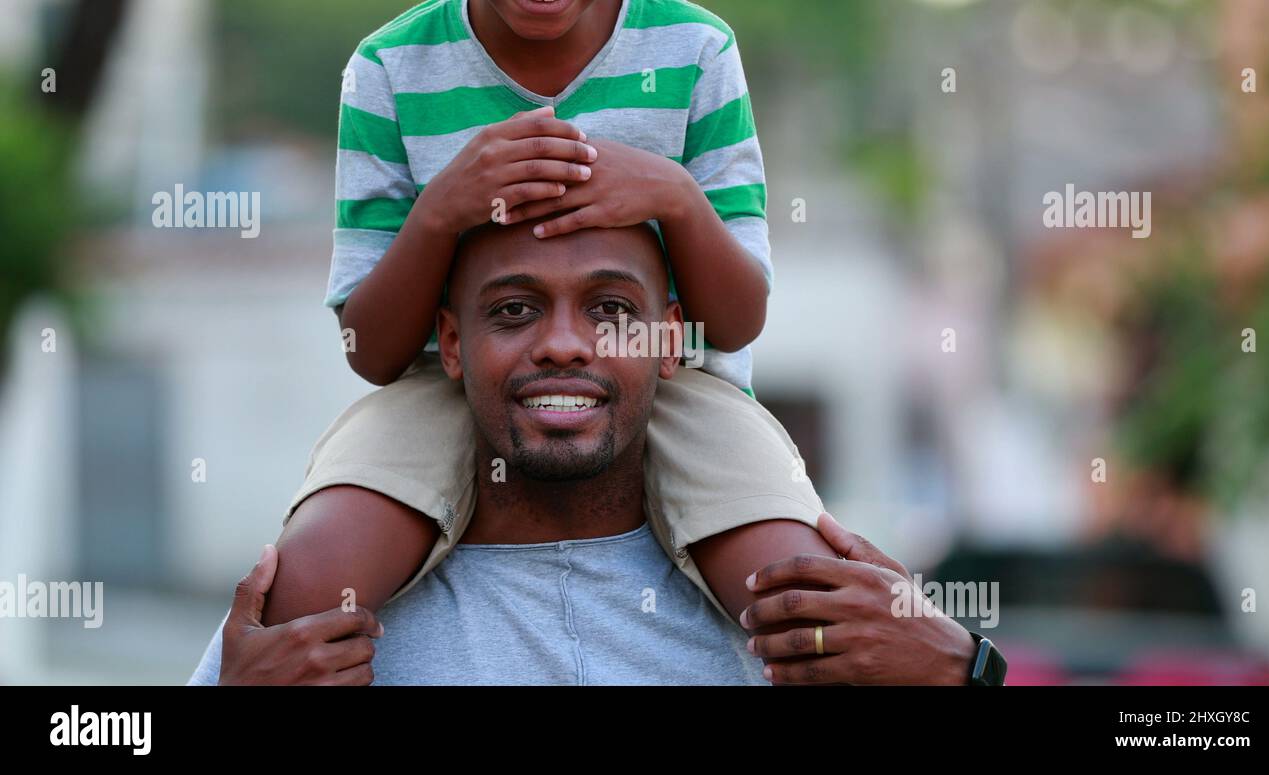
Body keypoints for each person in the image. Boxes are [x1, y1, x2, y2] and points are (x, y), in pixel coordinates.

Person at [188, 220, 983, 685]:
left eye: (609, 308)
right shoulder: (319, 625)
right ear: (453, 343)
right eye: (513, 310)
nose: (564, 344)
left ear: (671, 340)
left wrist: (967, 671)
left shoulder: (802, 623)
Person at [275, 0, 837, 634]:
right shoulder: (391, 67)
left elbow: (735, 322)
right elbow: (371, 350)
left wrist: (676, 196)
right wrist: (439, 212)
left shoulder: (696, 49)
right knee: (306, 591)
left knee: (805, 607)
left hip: (674, 377)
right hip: (448, 383)